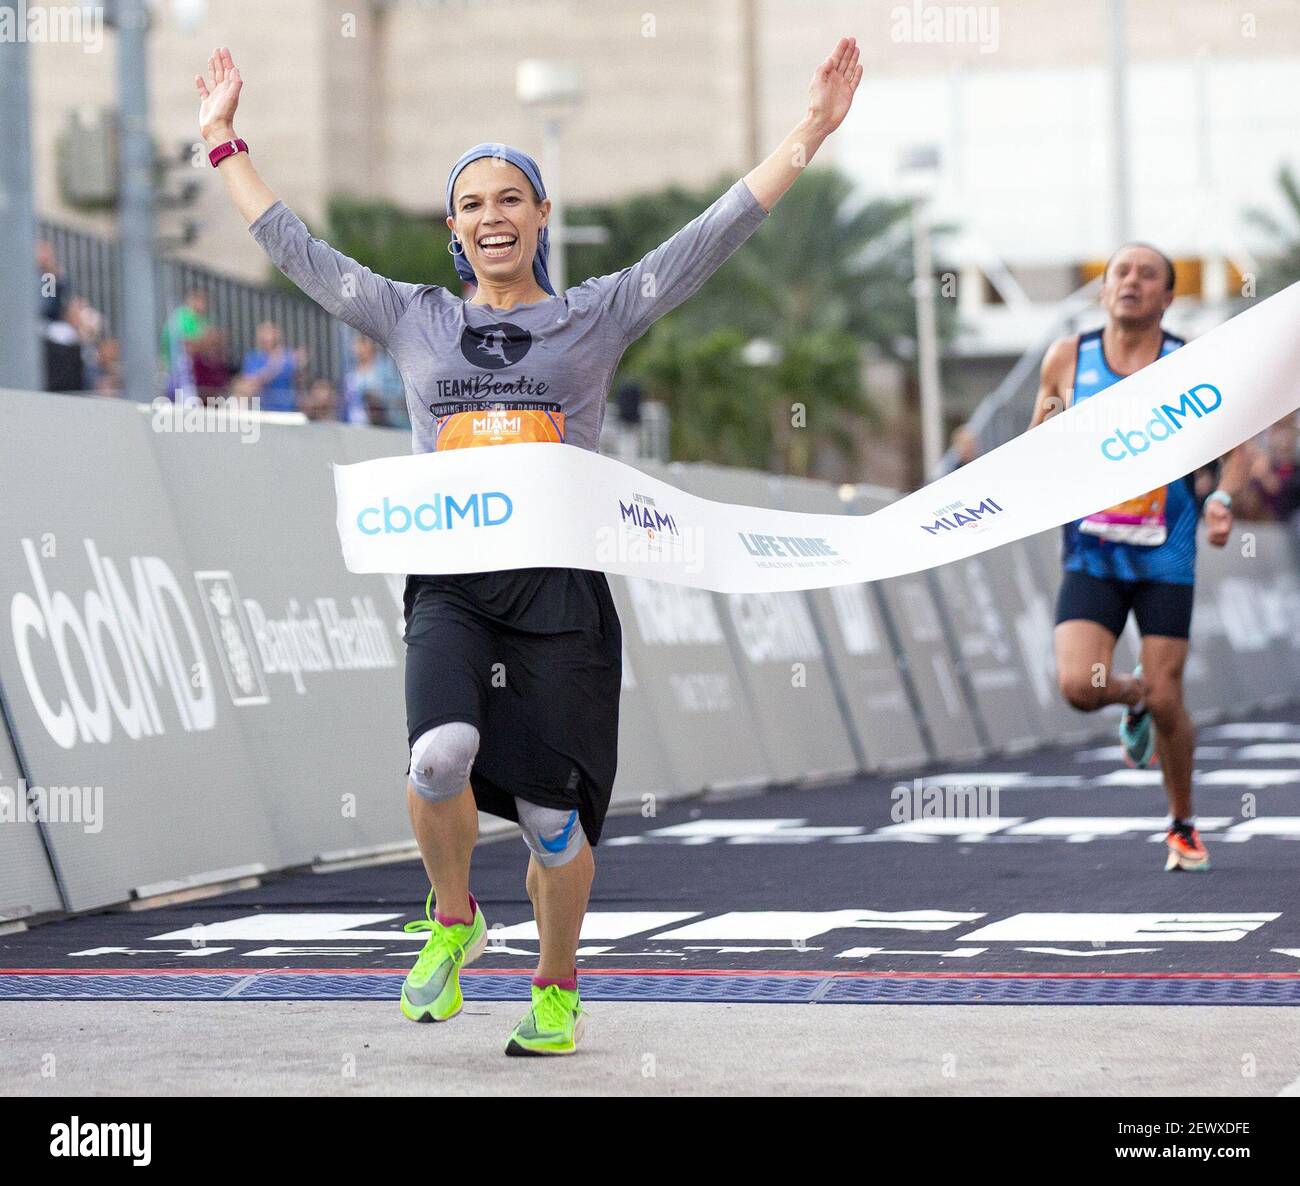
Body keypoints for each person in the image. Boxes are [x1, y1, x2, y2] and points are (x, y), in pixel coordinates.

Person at [196, 35, 863, 1055]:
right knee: (438, 756)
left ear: (541, 216)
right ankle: (453, 916)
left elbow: (711, 235)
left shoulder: (596, 318)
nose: (492, 216)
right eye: (472, 204)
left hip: (559, 596)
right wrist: (221, 141)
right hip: (451, 587)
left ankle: (555, 985)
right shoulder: (412, 318)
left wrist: (809, 131)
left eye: (511, 198)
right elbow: (295, 251)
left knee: (556, 827)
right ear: (454, 231)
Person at [1029, 242, 1250, 873]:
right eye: (1120, 272)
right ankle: (1128, 699)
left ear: (1167, 297)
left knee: (1168, 696)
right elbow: (1036, 446)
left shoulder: (1189, 363)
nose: (1130, 281)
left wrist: (1223, 497)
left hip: (1166, 555)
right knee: (1078, 686)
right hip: (1092, 552)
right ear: (1104, 291)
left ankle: (1181, 824)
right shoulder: (1068, 358)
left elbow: (1236, 445)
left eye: (1147, 274)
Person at [343, 335, 406, 428]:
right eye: (356, 343)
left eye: (363, 343)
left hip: (384, 423)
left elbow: (398, 392)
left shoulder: (384, 367)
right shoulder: (351, 372)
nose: (358, 347)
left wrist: (378, 396)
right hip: (356, 425)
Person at [238, 320, 300, 412]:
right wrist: (274, 364)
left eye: (270, 333)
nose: (266, 337)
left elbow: (297, 380)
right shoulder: (252, 357)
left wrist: (300, 365)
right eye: (263, 333)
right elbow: (250, 384)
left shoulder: (288, 356)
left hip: (286, 409)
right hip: (261, 409)